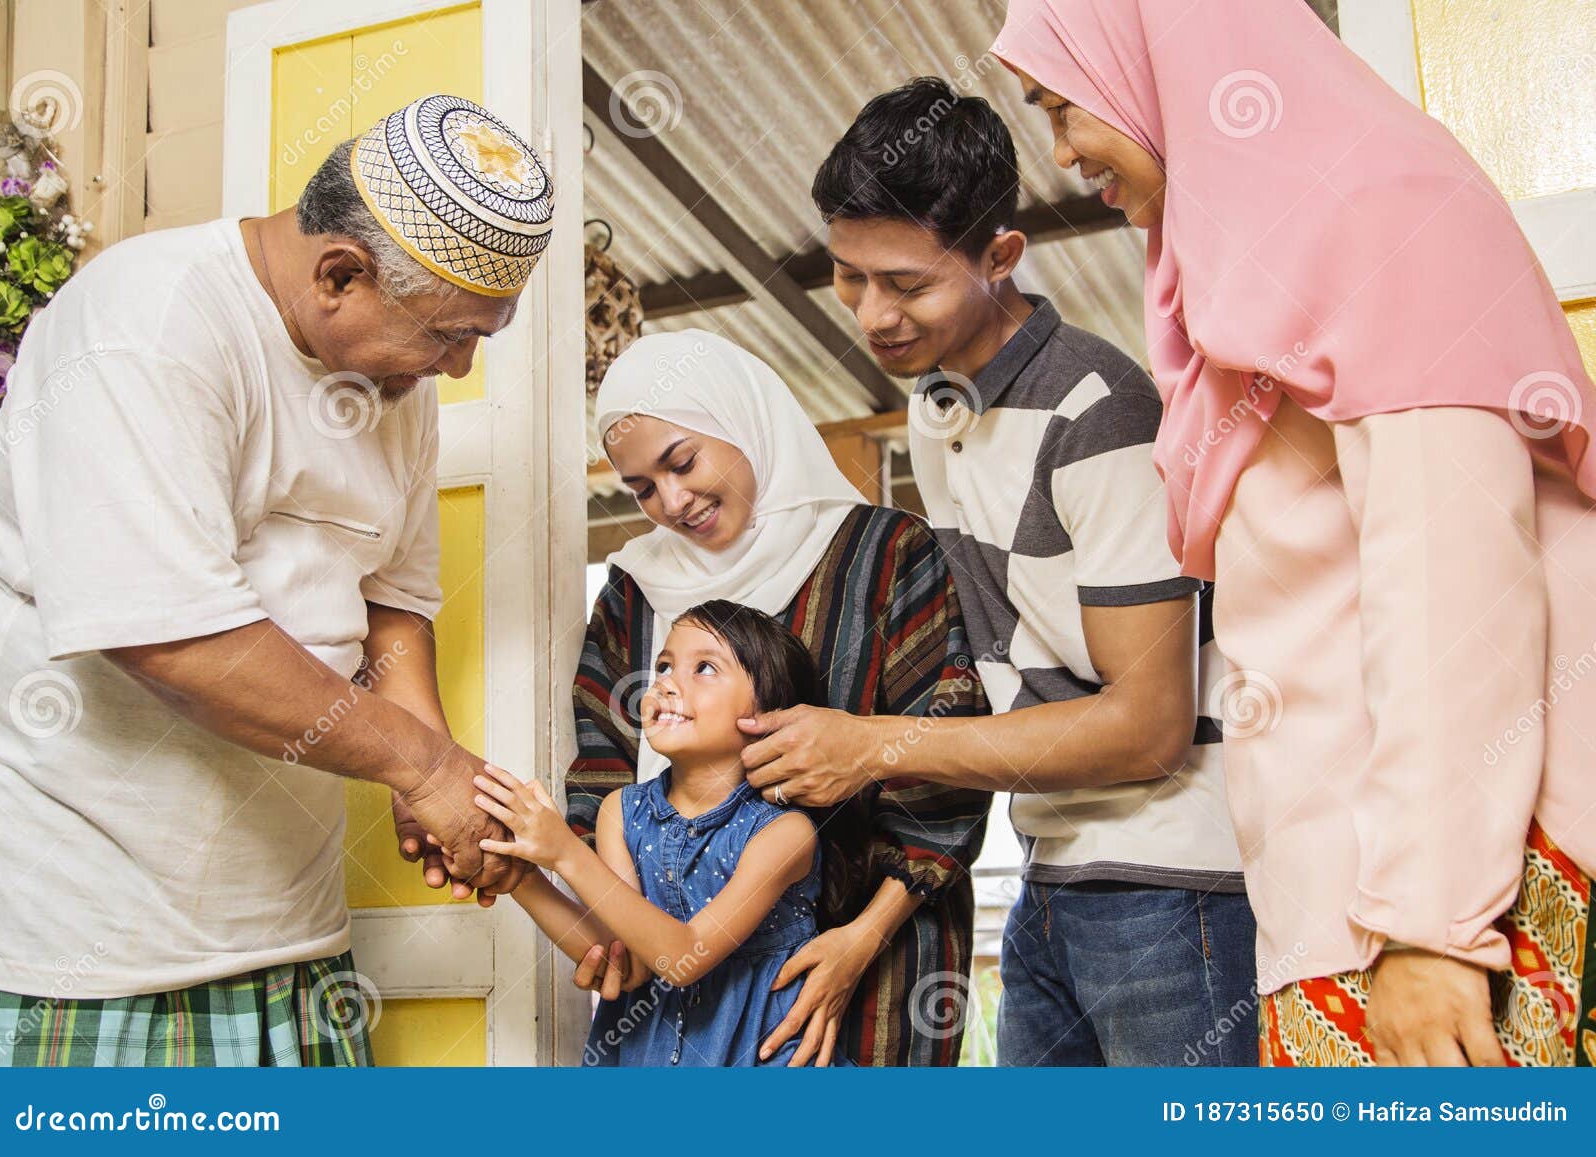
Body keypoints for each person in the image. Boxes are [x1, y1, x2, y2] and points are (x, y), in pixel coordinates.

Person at [991, 0, 1596, 1066]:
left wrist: (1429, 923)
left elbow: (1454, 587)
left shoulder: (1381, 214)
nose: (1062, 150)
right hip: (1349, 899)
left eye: (1058, 104)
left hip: (1446, 909)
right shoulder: (1242, 279)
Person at [0, 95, 552, 1066]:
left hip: (294, 932)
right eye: (448, 334)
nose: (458, 367)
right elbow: (169, 632)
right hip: (101, 948)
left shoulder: (396, 387)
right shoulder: (146, 325)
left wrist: (423, 762)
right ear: (340, 272)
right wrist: (420, 767)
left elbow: (393, 602)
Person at [747, 77, 1256, 1067]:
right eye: (850, 276)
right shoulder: (935, 413)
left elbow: (1147, 726)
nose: (872, 314)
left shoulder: (1095, 410)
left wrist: (872, 746)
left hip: (1173, 878)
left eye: (907, 282)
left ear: (999, 256)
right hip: (1055, 870)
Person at [567, 329, 990, 1066]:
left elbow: (950, 753)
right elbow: (600, 767)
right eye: (640, 488)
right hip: (675, 1003)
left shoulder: (884, 555)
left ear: (742, 419)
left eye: (683, 461)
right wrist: (602, 923)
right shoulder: (632, 591)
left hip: (873, 952)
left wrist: (860, 940)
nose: (670, 500)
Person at [476, 600, 849, 1066]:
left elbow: (684, 959)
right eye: (665, 666)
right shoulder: (620, 813)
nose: (668, 683)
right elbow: (623, 964)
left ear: (767, 715)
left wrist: (566, 852)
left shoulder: (783, 835)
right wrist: (522, 881)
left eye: (705, 668)